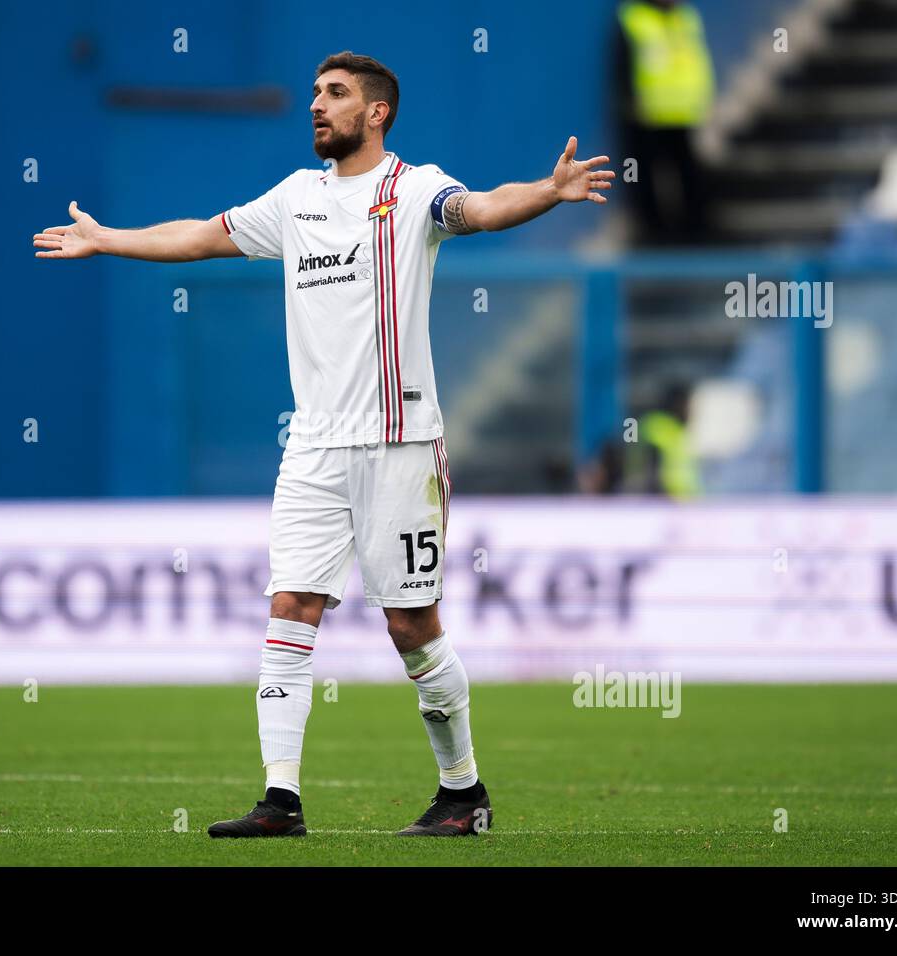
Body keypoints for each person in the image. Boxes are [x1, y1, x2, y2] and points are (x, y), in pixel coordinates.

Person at [33, 51, 613, 837]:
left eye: (335, 94)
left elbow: (481, 208)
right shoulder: (295, 198)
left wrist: (547, 191)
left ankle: (462, 792)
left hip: (400, 440)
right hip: (312, 444)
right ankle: (281, 800)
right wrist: (110, 239)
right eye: (313, 93)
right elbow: (202, 235)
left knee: (411, 625)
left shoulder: (411, 190)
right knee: (289, 606)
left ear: (377, 113)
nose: (317, 105)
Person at [614, 0, 715, 244]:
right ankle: (654, 231)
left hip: (683, 112)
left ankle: (696, 226)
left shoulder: (686, 17)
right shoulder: (634, 17)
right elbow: (622, 64)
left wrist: (704, 98)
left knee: (688, 171)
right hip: (648, 114)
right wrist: (630, 102)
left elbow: (697, 59)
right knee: (644, 175)